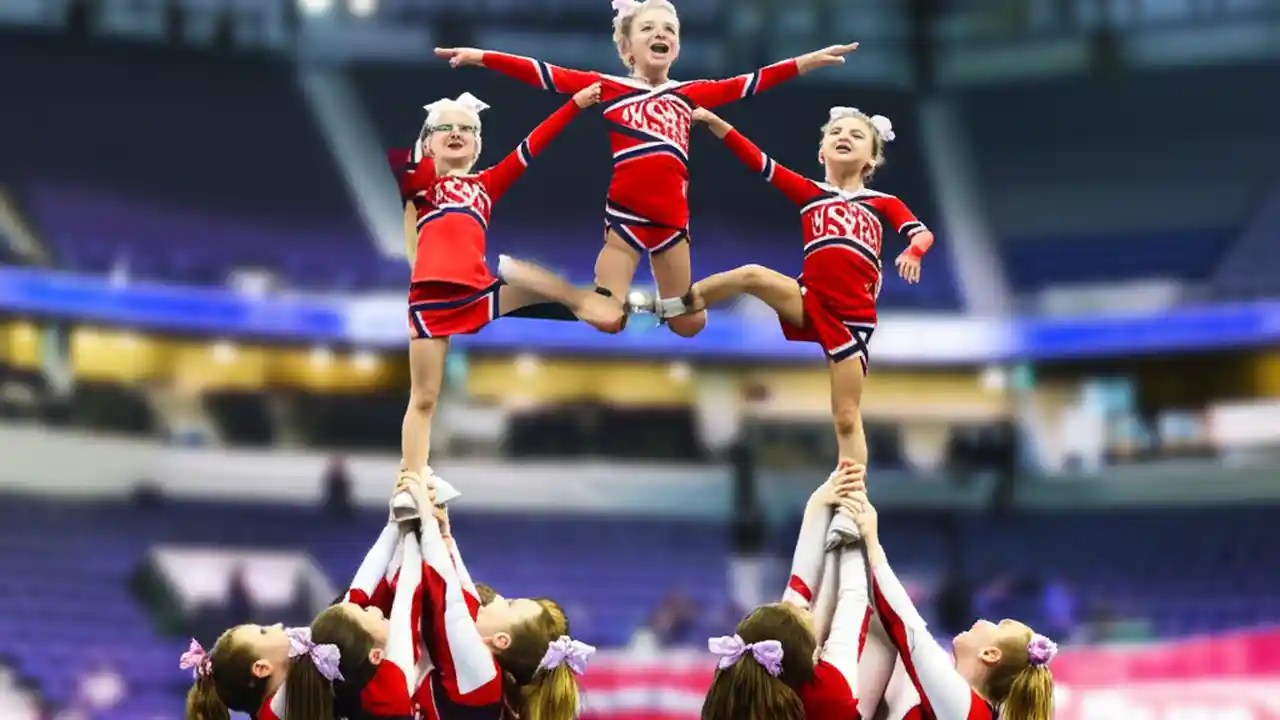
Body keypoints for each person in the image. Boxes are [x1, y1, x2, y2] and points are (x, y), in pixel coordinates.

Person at [435, 0, 859, 338]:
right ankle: (549, 286)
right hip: (624, 220)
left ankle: (655, 306)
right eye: (649, 29)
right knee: (605, 318)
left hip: (673, 225)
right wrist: (481, 56)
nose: (661, 34)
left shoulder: (690, 95)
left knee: (690, 325)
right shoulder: (609, 87)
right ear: (628, 48)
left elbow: (753, 80)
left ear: (677, 47)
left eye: (669, 30)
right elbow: (544, 74)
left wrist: (808, 60)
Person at [659, 107, 935, 493]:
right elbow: (759, 161)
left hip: (852, 318)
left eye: (856, 135)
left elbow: (922, 234)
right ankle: (677, 305)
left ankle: (852, 498)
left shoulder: (883, 202)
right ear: (822, 151)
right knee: (752, 275)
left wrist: (913, 252)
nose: (844, 137)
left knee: (845, 416)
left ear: (871, 158)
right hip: (809, 299)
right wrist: (719, 126)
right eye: (836, 132)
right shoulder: (810, 192)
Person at [393, 87, 623, 495]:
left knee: (528, 280)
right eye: (446, 129)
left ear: (478, 145)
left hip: (478, 290)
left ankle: (598, 306)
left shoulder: (485, 185)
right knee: (425, 397)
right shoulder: (420, 184)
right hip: (430, 299)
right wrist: (447, 112)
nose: (456, 133)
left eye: (466, 129)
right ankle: (410, 480)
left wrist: (573, 105)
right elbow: (411, 166)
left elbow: (531, 146)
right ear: (428, 141)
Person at [841, 490, 1058, 720]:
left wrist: (871, 541)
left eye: (995, 626)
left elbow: (911, 632)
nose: (982, 621)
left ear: (990, 654)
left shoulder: (968, 711)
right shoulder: (952, 704)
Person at [395, 475, 595, 719]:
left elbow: (452, 601)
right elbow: (460, 593)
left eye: (509, 603)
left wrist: (427, 523)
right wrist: (445, 536)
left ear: (501, 640)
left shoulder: (482, 679)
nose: (499, 597)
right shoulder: (484, 671)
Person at [700, 462, 874, 720]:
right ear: (805, 657)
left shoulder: (736, 689)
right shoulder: (827, 693)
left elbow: (797, 588)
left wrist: (819, 502)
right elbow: (854, 599)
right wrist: (854, 526)